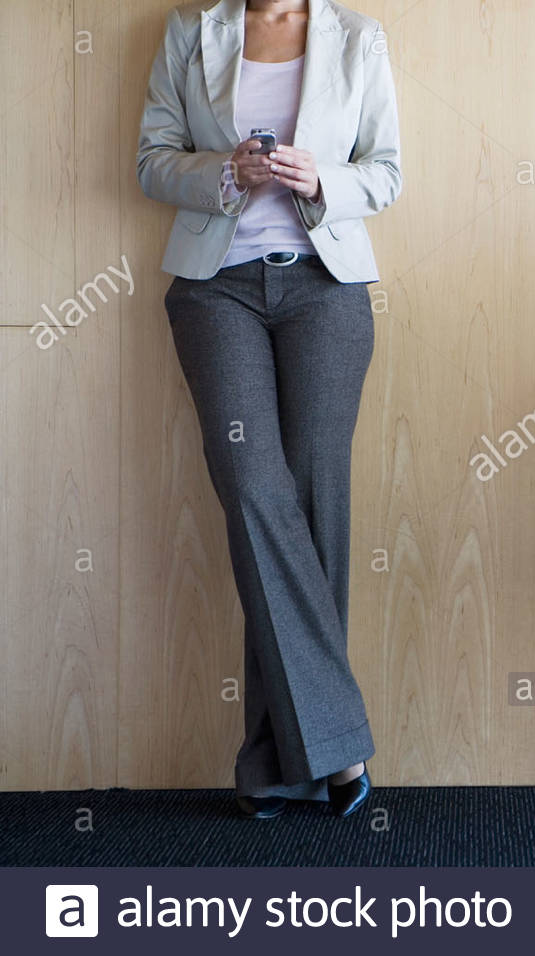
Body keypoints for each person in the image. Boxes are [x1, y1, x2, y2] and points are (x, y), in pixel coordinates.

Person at [136, 0, 401, 819]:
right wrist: (225, 172)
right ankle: (339, 745)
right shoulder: (190, 31)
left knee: (315, 506)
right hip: (218, 293)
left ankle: (272, 763)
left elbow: (388, 172)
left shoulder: (359, 38)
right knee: (255, 491)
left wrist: (324, 177)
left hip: (325, 291)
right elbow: (151, 161)